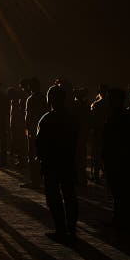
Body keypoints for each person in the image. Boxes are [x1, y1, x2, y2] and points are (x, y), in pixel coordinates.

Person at [36, 85, 79, 242]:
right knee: (69, 195)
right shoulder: (71, 118)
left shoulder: (46, 119)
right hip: (67, 161)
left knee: (53, 197)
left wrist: (40, 160)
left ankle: (61, 229)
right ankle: (72, 228)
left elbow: (39, 144)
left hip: (51, 163)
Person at [103, 88, 130, 229]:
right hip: (126, 161)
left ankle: (122, 219)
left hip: (121, 161)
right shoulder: (128, 117)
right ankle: (128, 219)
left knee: (120, 192)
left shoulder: (118, 118)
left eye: (110, 99)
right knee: (124, 192)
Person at [23, 78, 47, 189]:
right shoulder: (44, 98)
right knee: (42, 155)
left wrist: (27, 129)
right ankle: (42, 179)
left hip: (33, 131)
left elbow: (28, 117)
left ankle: (34, 181)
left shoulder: (30, 99)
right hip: (43, 131)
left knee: (32, 156)